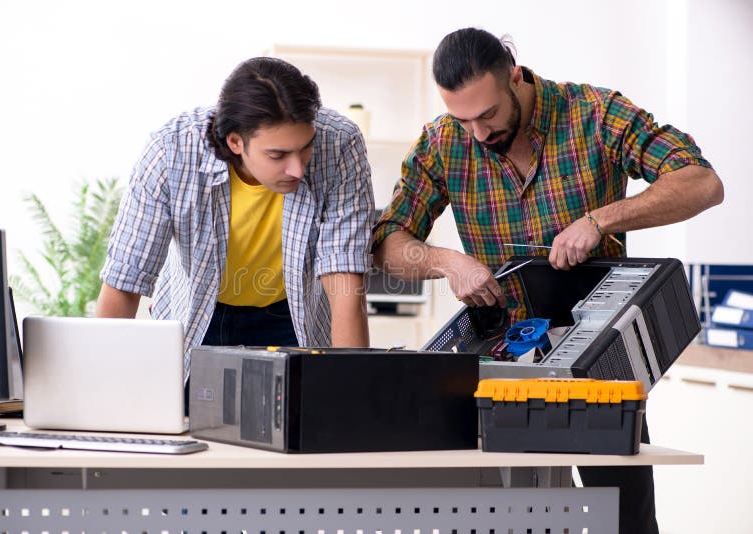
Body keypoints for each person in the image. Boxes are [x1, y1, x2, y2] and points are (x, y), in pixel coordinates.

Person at [372, 28, 723, 534]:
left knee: (625, 518)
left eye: (488, 115)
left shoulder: (595, 114)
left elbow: (701, 181)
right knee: (507, 517)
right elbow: (388, 242)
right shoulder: (442, 142)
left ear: (515, 77)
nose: (476, 132)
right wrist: (448, 261)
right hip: (500, 365)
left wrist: (601, 220)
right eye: (462, 118)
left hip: (600, 359)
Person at [97, 57, 375, 383]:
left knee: (301, 423)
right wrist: (102, 395)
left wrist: (354, 395)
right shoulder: (170, 151)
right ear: (235, 142)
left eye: (305, 148)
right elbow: (124, 282)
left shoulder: (339, 144)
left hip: (289, 313)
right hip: (197, 311)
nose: (297, 168)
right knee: (184, 422)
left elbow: (345, 284)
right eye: (278, 155)